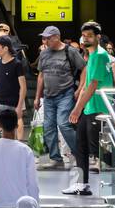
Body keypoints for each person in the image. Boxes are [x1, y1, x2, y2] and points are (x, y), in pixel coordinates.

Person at [65, 21, 115, 197]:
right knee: (81, 146)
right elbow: (85, 85)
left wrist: (77, 109)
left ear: (98, 37)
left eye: (89, 35)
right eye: (84, 35)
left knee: (96, 148)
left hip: (97, 108)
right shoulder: (91, 56)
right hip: (89, 108)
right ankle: (82, 184)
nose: (85, 38)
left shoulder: (99, 55)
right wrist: (78, 108)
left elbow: (92, 85)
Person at [34, 25, 83, 168]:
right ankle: (56, 158)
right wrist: (37, 97)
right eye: (44, 38)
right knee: (48, 127)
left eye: (48, 38)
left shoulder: (70, 51)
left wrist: (79, 89)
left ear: (56, 37)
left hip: (65, 93)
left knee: (63, 124)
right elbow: (41, 76)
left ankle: (79, 154)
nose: (45, 41)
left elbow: (84, 68)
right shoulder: (44, 54)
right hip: (48, 96)